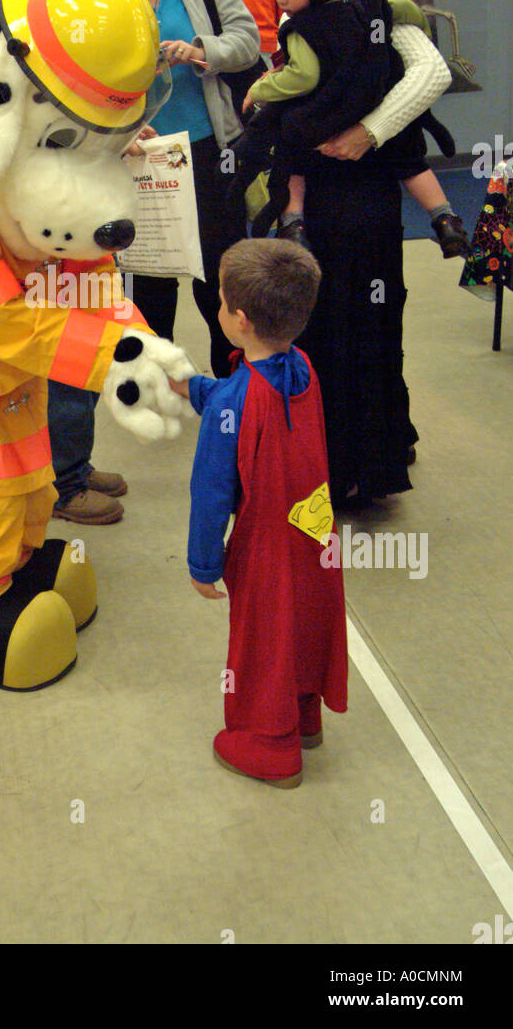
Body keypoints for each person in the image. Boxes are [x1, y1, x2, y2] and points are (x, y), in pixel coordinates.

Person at [282, 0, 453, 505]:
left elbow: (432, 73)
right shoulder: (372, 3)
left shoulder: (352, 5)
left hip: (335, 190)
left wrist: (366, 132)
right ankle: (378, 453)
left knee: (331, 325)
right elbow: (429, 74)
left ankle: (344, 462)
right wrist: (374, 132)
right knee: (376, 320)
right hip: (369, 194)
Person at [169, 239, 347, 789]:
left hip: (266, 540)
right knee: (307, 620)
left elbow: (212, 494)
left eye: (220, 303)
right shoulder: (304, 368)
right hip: (315, 527)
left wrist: (203, 566)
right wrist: (198, 389)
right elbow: (248, 404)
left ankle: (270, 745)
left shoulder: (234, 402)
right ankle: (305, 714)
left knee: (261, 639)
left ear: (239, 320)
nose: (219, 310)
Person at [92, 0, 261, 377]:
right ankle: (159, 385)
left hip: (211, 153)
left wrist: (201, 49)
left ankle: (230, 387)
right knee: (150, 286)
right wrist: (122, 130)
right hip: (141, 159)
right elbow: (95, 75)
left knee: (219, 281)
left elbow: (247, 41)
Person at [236, 0, 470, 257]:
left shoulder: (304, 27)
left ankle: (292, 222)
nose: (281, 1)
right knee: (411, 160)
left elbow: (302, 77)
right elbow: (403, 8)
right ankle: (444, 217)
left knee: (290, 151)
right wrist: (419, 22)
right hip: (375, 103)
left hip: (328, 113)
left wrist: (263, 89)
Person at [14, 0, 129, 525]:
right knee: (63, 357)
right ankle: (61, 482)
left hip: (84, 218)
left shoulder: (83, 28)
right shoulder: (21, 42)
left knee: (85, 351)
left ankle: (75, 466)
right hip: (51, 226)